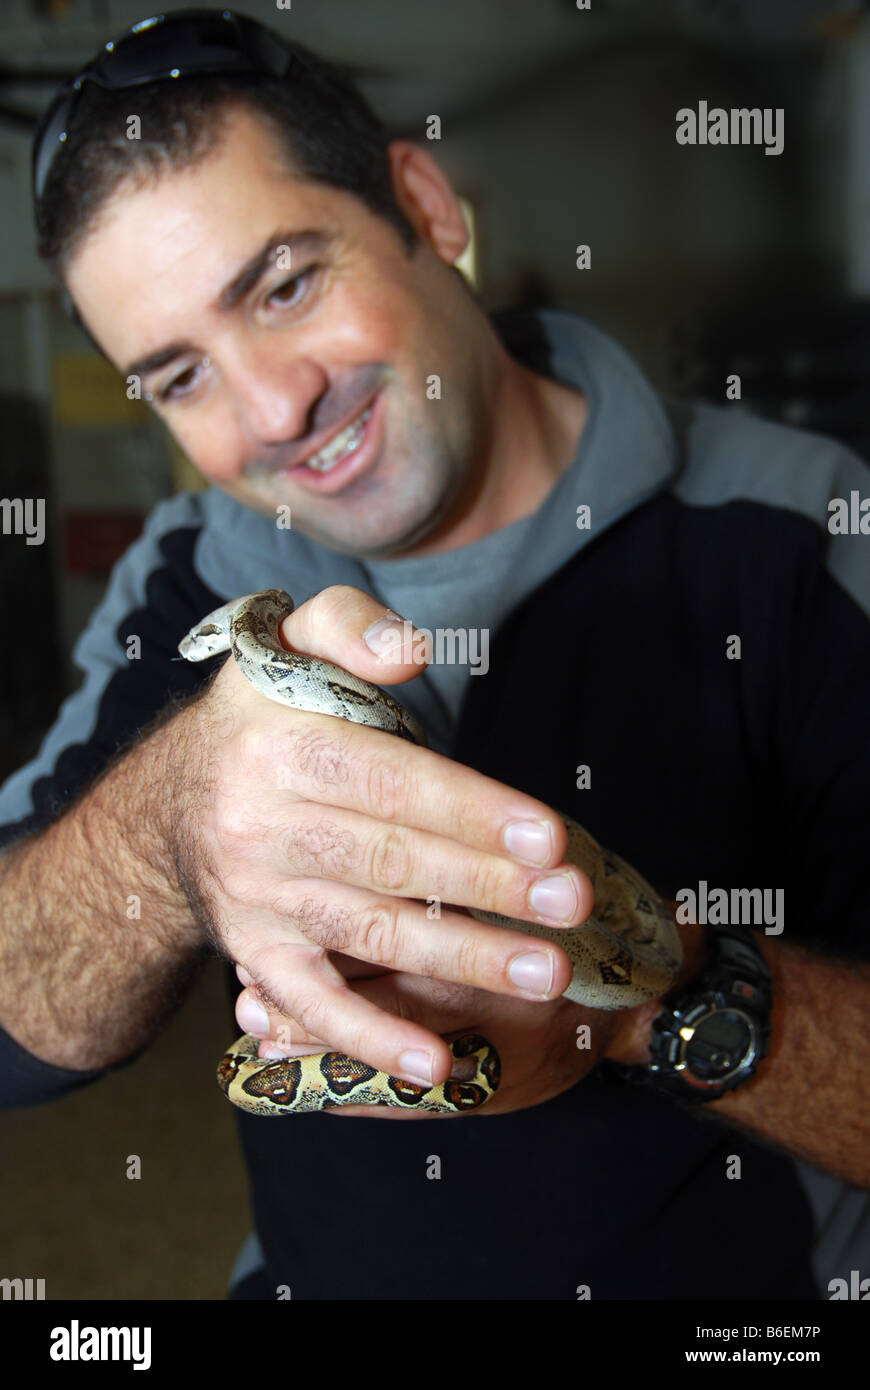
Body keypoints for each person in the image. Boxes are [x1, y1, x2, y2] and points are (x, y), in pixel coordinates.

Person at [1, 9, 868, 1301]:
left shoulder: (806, 528)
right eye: (179, 376)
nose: (272, 410)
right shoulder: (189, 577)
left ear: (424, 206)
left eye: (285, 286)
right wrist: (168, 829)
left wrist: (633, 996)